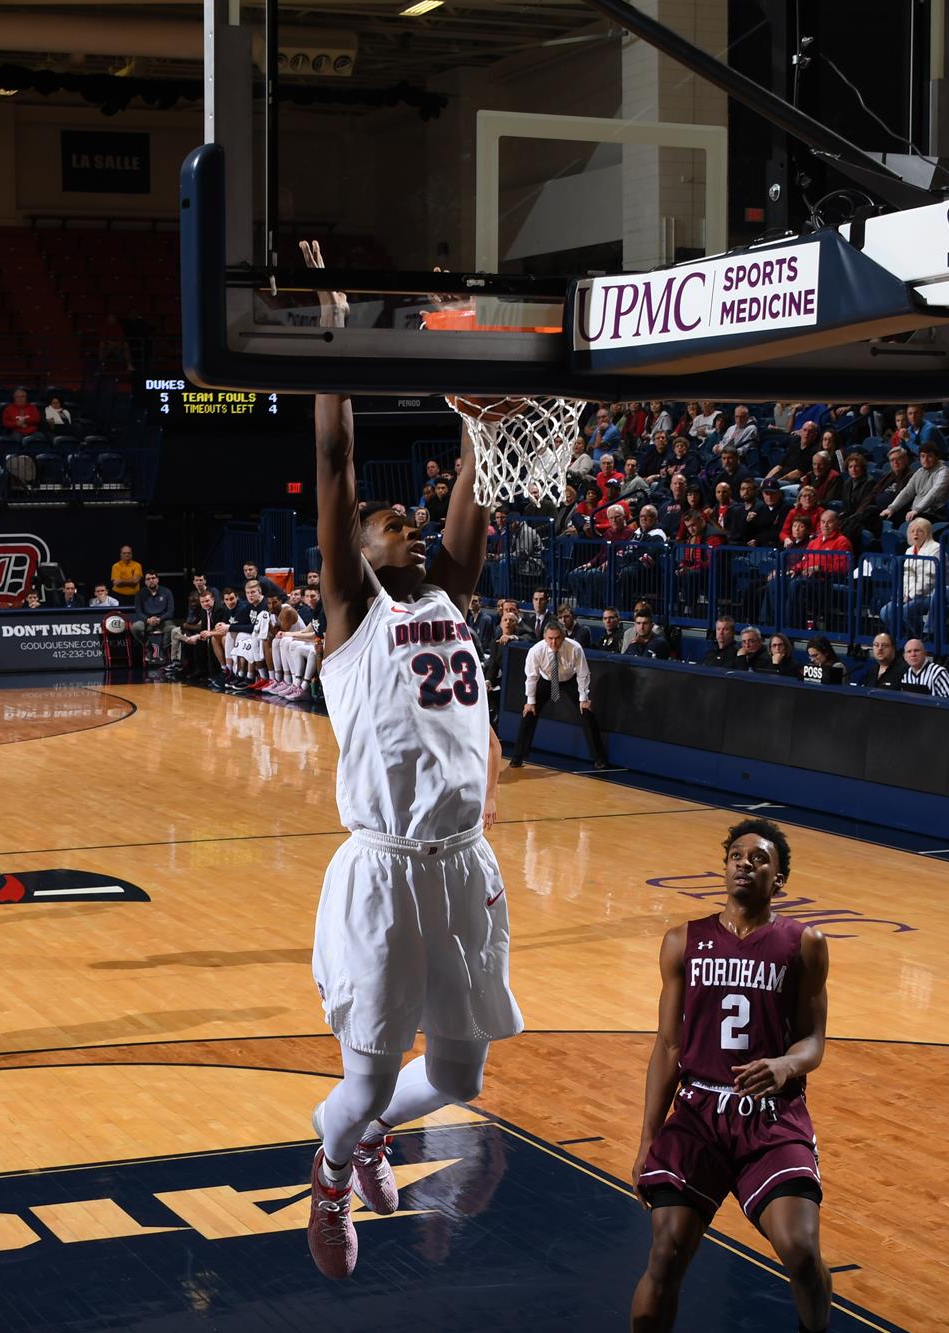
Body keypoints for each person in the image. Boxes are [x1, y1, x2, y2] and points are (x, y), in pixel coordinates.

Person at [299, 242, 521, 1282]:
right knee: (375, 1065)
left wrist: (481, 414)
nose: (410, 527)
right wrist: (332, 334)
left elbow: (471, 487)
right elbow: (339, 470)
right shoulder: (348, 616)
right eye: (392, 524)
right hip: (383, 866)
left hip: (463, 862)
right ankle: (333, 1166)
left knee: (463, 1070)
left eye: (413, 520)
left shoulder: (449, 594)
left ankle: (366, 1127)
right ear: (358, 549)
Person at [631, 819, 831, 1333]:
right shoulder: (683, 941)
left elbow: (813, 1042)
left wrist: (786, 1065)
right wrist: (648, 1138)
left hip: (770, 1118)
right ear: (723, 868)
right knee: (667, 1253)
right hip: (698, 1113)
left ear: (779, 879)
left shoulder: (804, 942)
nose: (746, 862)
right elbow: (669, 1045)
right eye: (737, 855)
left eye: (760, 858)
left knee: (802, 1251)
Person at [516, 621, 612, 768]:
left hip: (569, 679)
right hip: (547, 680)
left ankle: (599, 758)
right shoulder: (536, 651)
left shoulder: (575, 648)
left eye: (557, 638)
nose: (554, 642)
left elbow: (583, 674)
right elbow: (531, 677)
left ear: (564, 636)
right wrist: (530, 701)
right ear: (544, 637)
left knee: (586, 711)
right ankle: (518, 757)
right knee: (529, 712)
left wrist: (584, 698)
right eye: (550, 638)